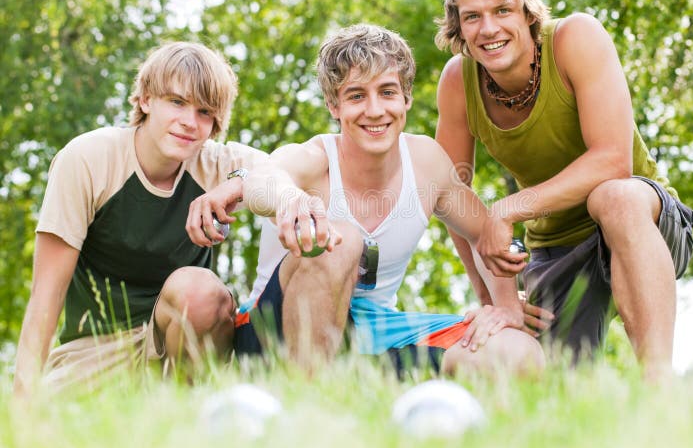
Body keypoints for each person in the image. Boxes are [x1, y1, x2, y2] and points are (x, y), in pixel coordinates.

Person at [187, 24, 545, 376]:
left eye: (387, 92)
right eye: (357, 96)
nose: (374, 110)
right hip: (273, 330)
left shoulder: (426, 163)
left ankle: (364, 389)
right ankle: (306, 406)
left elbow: (487, 232)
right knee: (342, 242)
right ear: (334, 105)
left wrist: (504, 306)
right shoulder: (316, 159)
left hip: (373, 335)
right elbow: (264, 177)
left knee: (518, 354)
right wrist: (290, 199)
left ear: (406, 98)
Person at [434, 0, 693, 379]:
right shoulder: (457, 83)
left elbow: (614, 161)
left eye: (503, 9)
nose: (489, 28)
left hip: (644, 217)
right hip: (556, 247)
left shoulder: (576, 38)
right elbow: (449, 196)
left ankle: (659, 387)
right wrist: (493, 299)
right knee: (559, 383)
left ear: (528, 13)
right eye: (472, 16)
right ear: (458, 27)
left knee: (613, 197)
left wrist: (507, 209)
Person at [13, 41, 269, 396]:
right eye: (177, 102)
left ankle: (184, 414)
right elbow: (46, 295)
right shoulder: (88, 159)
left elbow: (285, 172)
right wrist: (20, 407)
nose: (189, 122)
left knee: (200, 290)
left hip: (176, 346)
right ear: (146, 99)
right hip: (93, 352)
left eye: (205, 112)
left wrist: (235, 186)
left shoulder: (217, 165)